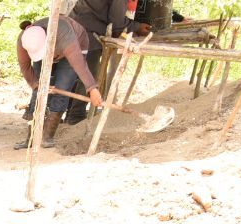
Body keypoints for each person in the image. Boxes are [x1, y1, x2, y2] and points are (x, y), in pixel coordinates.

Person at [14, 17, 105, 150]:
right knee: (38, 91)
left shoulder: (65, 36)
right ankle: (31, 137)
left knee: (62, 88)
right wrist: (36, 84)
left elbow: (79, 65)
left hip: (73, 47)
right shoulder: (26, 39)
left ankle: (47, 137)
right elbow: (25, 67)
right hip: (50, 47)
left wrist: (92, 89)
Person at [67, 1, 151, 124]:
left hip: (71, 27)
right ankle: (76, 115)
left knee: (73, 73)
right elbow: (117, 23)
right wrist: (137, 27)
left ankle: (68, 112)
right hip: (87, 32)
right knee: (88, 76)